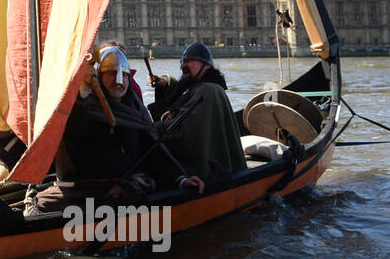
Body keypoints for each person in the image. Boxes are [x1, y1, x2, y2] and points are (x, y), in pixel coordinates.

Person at [29, 45, 203, 212]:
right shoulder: (84, 109)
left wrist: (180, 180)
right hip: (85, 191)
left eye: (124, 75)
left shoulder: (135, 112)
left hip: (127, 189)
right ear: (99, 76)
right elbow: (74, 130)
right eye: (112, 73)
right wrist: (81, 91)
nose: (119, 80)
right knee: (40, 206)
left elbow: (153, 152)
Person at [148, 42, 246, 182]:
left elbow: (184, 132)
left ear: (206, 65)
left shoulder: (207, 91)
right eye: (183, 62)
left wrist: (151, 129)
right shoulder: (201, 87)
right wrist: (165, 83)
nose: (183, 66)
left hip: (206, 172)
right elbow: (182, 92)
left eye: (189, 61)